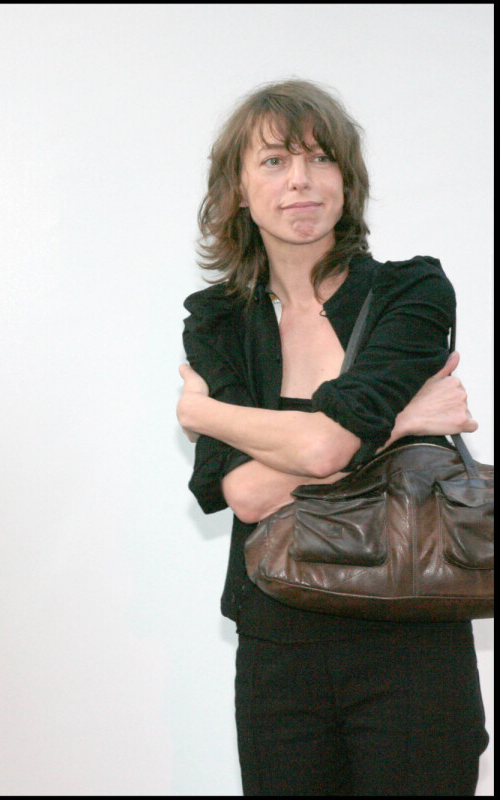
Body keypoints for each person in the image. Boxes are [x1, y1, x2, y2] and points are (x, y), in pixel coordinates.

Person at [176, 79, 490, 795]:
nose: (301, 182)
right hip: (278, 645)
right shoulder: (219, 320)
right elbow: (246, 493)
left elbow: (320, 453)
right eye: (275, 162)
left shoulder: (411, 293)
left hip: (412, 634)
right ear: (237, 191)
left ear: (348, 183)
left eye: (321, 161)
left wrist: (205, 414)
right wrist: (404, 419)